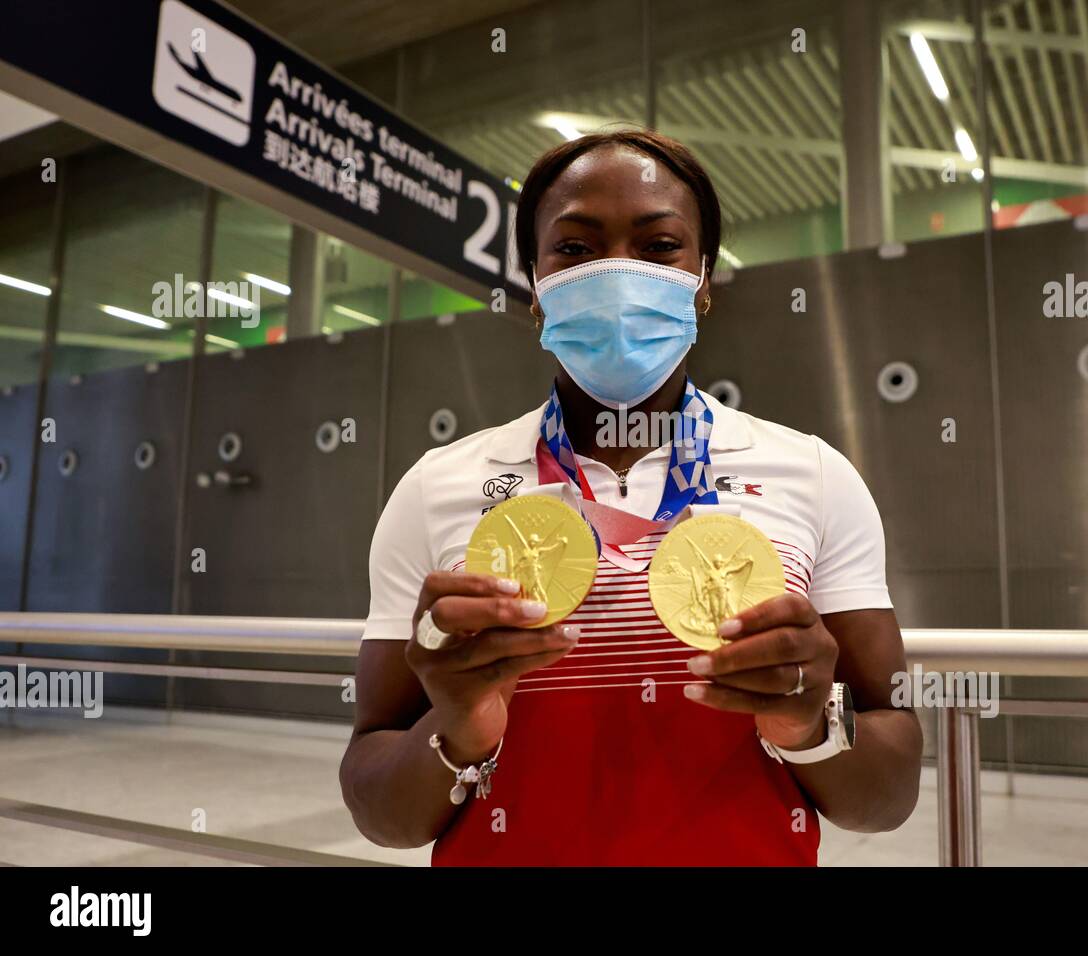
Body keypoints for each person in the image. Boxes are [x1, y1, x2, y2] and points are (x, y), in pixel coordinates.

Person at [339, 129, 922, 865]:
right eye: (576, 250)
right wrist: (453, 730)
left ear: (704, 280)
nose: (618, 272)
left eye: (659, 247)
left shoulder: (812, 473)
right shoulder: (437, 487)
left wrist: (811, 725)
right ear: (536, 286)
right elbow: (380, 808)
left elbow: (890, 794)